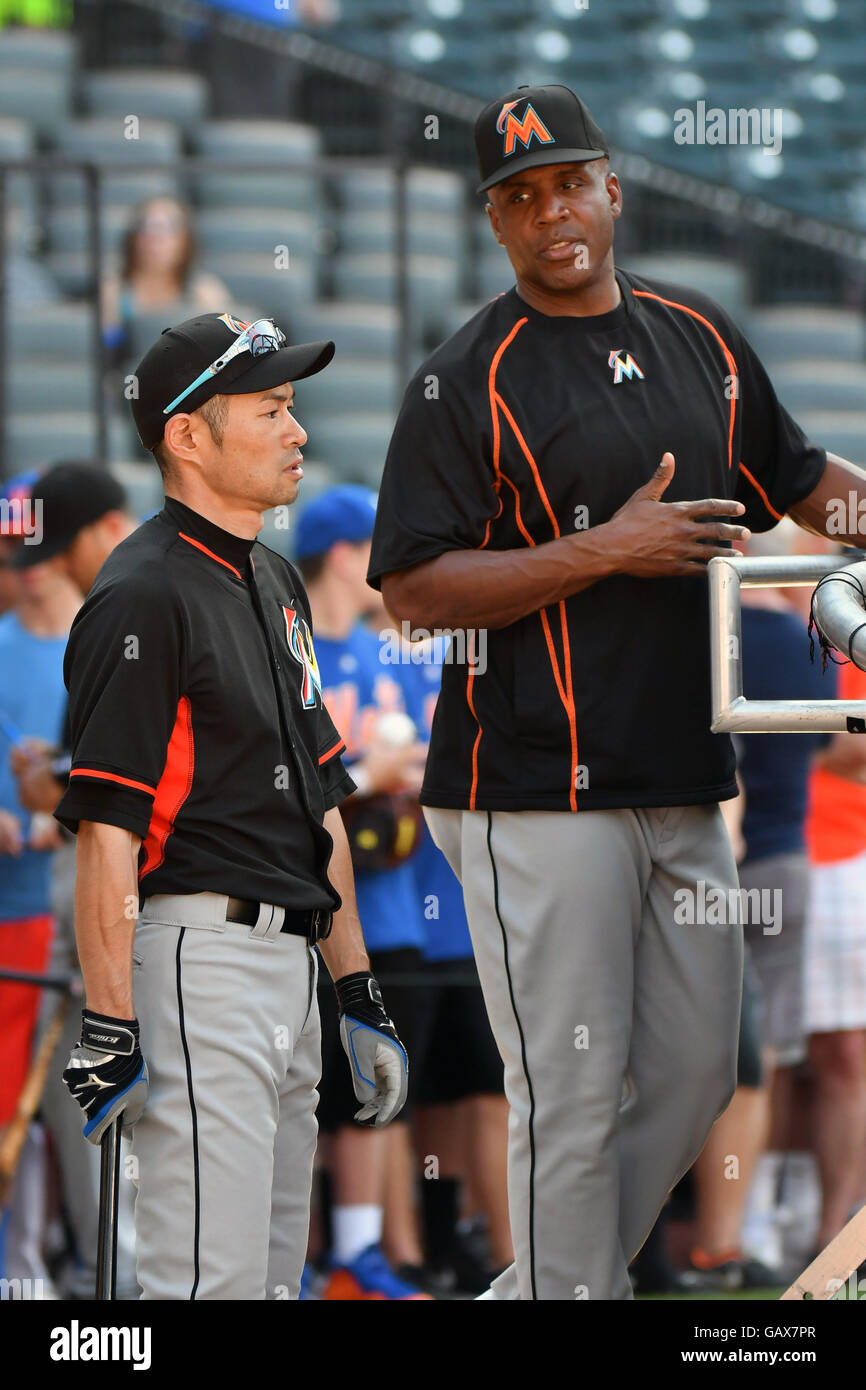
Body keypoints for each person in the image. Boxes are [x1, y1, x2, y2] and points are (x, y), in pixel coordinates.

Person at [367, 82, 866, 1300]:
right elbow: (414, 591)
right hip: (530, 789)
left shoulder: (700, 333)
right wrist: (605, 548)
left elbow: (804, 483)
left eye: (566, 184)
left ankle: (534, 1289)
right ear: (494, 222)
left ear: (611, 189)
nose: (550, 214)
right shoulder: (459, 379)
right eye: (518, 198)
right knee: (570, 1094)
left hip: (683, 778)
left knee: (699, 1070)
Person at [53, 312, 408, 1300]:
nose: (297, 430)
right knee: (200, 1285)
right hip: (195, 961)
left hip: (287, 963)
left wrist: (354, 991)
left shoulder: (274, 573)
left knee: (263, 1281)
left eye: (292, 407)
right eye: (271, 407)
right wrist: (112, 1020)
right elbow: (109, 829)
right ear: (186, 434)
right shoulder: (139, 592)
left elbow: (325, 801)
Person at [293, 485, 432, 1300]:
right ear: (346, 554)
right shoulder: (293, 647)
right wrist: (368, 778)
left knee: (374, 1084)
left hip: (391, 897)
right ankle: (301, 1259)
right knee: (301, 1088)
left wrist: (394, 776)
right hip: (311, 901)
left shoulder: (391, 654)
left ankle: (360, 1252)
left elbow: (425, 757)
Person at [9, 461, 140, 1298]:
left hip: (112, 892)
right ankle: (66, 1275)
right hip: (48, 904)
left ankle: (121, 1281)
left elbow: (114, 796)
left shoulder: (122, 622)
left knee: (106, 1088)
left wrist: (48, 797)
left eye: (45, 548)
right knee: (44, 1099)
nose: (33, 567)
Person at [0, 470, 79, 1293]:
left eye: (37, 545)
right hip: (13, 918)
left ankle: (94, 1262)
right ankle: (21, 1268)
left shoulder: (106, 639)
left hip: (91, 906)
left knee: (88, 1099)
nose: (25, 562)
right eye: (13, 545)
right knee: (12, 1099)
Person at [102, 198, 230, 364]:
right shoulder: (113, 291)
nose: (155, 239)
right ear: (133, 239)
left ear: (185, 241)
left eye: (169, 228)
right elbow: (104, 355)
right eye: (146, 227)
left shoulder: (205, 293)